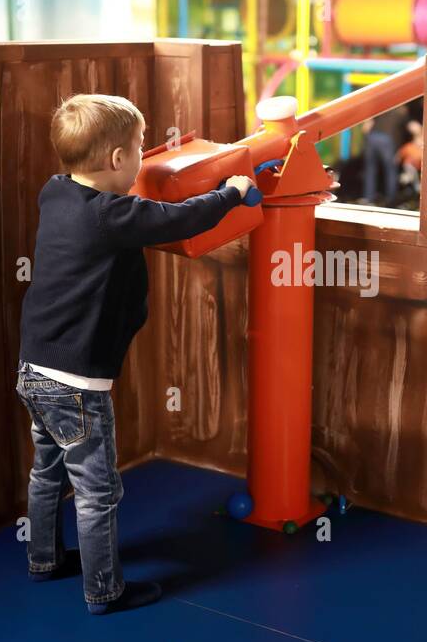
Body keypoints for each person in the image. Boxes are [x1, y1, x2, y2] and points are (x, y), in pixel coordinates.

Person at [16, 93, 252, 614]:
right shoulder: (111, 216)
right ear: (119, 161)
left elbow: (132, 214)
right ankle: (104, 590)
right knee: (98, 491)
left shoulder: (55, 191)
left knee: (47, 471)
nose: (144, 158)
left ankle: (43, 558)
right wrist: (232, 192)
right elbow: (178, 220)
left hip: (34, 368)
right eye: (140, 150)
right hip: (78, 382)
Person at [361, 104, 407, 205]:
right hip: (387, 139)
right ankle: (391, 199)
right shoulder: (400, 109)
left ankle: (368, 197)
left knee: (370, 169)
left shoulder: (380, 104)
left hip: (373, 136)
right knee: (390, 170)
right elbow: (402, 130)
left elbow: (366, 126)